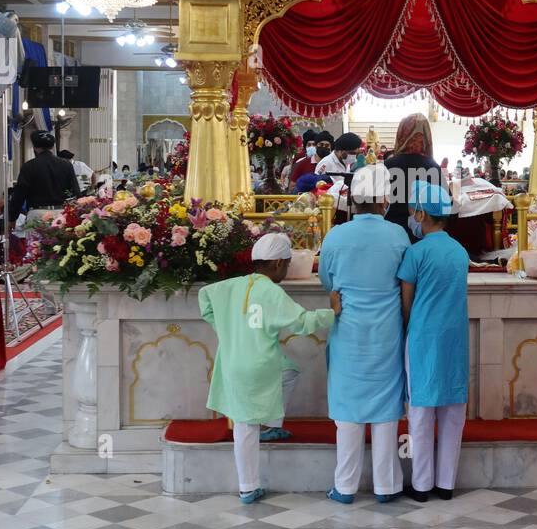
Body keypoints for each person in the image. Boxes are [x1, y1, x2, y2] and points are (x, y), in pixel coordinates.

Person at [199, 231, 337, 504]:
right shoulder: (272, 292)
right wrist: (332, 312)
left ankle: (270, 425)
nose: (286, 270)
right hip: (259, 365)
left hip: (232, 361)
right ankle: (248, 487)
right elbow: (302, 323)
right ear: (276, 264)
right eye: (286, 265)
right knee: (248, 426)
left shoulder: (232, 285)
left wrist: (226, 330)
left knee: (287, 373)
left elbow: (204, 299)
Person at [318, 163, 410, 504]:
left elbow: (327, 281)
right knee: (386, 410)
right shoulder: (398, 235)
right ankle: (387, 486)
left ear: (352, 200)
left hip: (349, 331)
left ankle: (345, 487)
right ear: (385, 199)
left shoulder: (336, 236)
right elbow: (405, 282)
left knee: (348, 410)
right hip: (386, 331)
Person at [399, 180, 470, 501]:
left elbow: (406, 302)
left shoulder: (416, 252)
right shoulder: (459, 251)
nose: (412, 216)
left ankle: (422, 484)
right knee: (453, 410)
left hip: (423, 339)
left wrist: (406, 327)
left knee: (421, 411)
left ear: (423, 215)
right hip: (454, 338)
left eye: (415, 210)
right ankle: (446, 483)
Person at [384, 112, 443, 238]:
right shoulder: (432, 166)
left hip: (390, 234)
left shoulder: (387, 165)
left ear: (402, 134)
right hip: (422, 235)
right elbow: (445, 204)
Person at [9, 131, 80, 224]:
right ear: (52, 147)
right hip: (61, 215)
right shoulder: (66, 165)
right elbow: (75, 192)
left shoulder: (29, 166)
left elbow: (19, 194)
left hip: (37, 214)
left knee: (35, 239)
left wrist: (12, 218)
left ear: (34, 147)